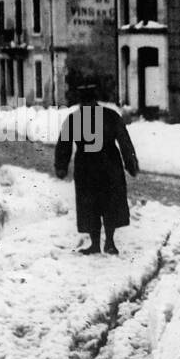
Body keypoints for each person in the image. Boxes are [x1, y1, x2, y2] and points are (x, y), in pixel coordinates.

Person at [54, 84, 140, 255]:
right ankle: (108, 242)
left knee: (90, 206)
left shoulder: (74, 118)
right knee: (109, 205)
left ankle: (97, 244)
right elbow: (124, 142)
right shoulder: (110, 116)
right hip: (109, 167)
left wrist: (61, 166)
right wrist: (131, 164)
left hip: (86, 169)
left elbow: (63, 145)